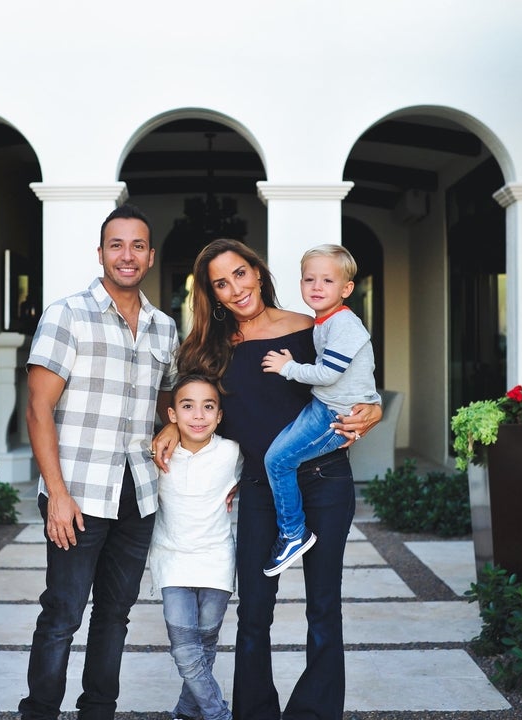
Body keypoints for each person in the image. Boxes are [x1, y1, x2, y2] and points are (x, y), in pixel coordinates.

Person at [151, 238, 382, 720]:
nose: (235, 288)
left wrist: (373, 410)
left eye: (240, 273)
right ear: (212, 295)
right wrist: (171, 426)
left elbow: (354, 381)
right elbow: (186, 401)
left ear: (257, 272)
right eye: (221, 283)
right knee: (254, 611)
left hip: (323, 481)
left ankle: (314, 714)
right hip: (260, 487)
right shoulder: (207, 348)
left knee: (323, 607)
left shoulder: (311, 329)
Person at [18, 204, 179, 720]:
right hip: (79, 494)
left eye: (137, 246)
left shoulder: (163, 328)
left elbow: (165, 401)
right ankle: (40, 712)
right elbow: (38, 408)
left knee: (115, 615)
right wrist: (56, 495)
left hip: (139, 492)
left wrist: (173, 425)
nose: (127, 255)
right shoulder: (67, 314)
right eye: (117, 245)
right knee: (63, 614)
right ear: (101, 253)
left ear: (150, 256)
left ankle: (98, 712)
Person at [260, 245, 381, 576]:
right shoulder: (325, 321)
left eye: (327, 280)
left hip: (335, 414)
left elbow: (328, 374)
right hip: (324, 404)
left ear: (346, 289)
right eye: (309, 279)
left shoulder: (344, 324)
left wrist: (287, 368)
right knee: (277, 455)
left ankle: (293, 533)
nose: (316, 286)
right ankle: (293, 531)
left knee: (278, 460)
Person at [149, 374, 242, 720]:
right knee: (185, 650)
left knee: (205, 643)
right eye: (188, 406)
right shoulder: (158, 454)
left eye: (208, 407)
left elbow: (260, 476)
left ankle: (187, 712)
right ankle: (218, 714)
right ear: (172, 415)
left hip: (216, 561)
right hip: (172, 560)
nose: (199, 415)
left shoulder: (232, 452)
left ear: (219, 415)